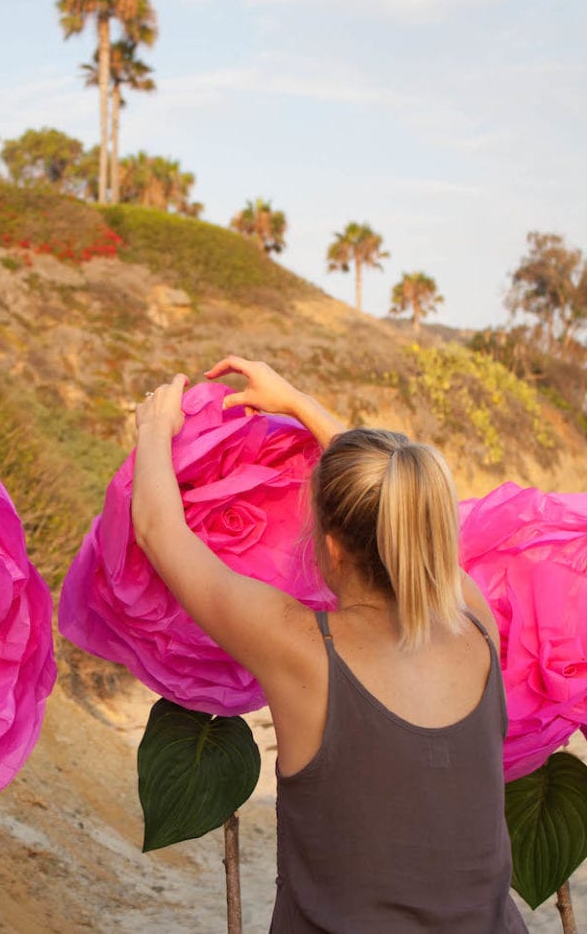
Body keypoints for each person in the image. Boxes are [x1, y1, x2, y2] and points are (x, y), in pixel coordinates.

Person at [131, 355, 527, 933]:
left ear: (333, 548)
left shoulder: (303, 647)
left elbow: (157, 531)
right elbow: (399, 498)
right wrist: (301, 405)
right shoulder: (476, 626)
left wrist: (152, 429)